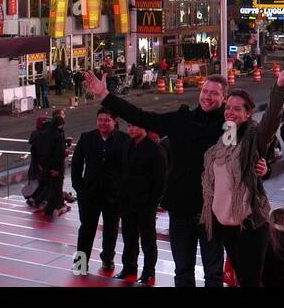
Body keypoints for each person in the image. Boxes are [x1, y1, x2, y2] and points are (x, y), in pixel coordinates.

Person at [82, 71, 229, 288]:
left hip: (210, 212)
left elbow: (238, 159)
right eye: (205, 91)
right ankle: (81, 266)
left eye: (214, 93)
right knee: (182, 271)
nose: (207, 96)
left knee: (213, 274)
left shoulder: (229, 127)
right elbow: (141, 116)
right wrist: (105, 95)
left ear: (223, 98)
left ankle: (144, 272)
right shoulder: (182, 120)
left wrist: (263, 168)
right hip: (175, 210)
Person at [199, 65, 284, 287]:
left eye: (237, 109)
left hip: (250, 224)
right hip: (226, 224)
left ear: (248, 114)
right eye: (228, 108)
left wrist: (280, 86)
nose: (230, 113)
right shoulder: (225, 136)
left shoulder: (254, 136)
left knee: (250, 282)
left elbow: (272, 119)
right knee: (240, 277)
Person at [72, 109, 131, 273]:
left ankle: (108, 259)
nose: (103, 123)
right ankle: (80, 264)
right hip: (89, 193)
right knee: (86, 229)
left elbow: (128, 167)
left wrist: (121, 188)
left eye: (106, 120)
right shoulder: (86, 138)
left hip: (114, 195)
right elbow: (76, 165)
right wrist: (79, 188)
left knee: (111, 229)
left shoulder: (125, 140)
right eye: (100, 120)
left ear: (114, 121)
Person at [116, 124, 167, 285]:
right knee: (128, 237)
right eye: (129, 126)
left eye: (135, 127)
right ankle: (129, 267)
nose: (131, 130)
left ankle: (148, 272)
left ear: (144, 129)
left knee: (148, 239)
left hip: (145, 202)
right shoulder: (127, 145)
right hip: (127, 200)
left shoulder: (155, 149)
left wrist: (152, 202)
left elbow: (160, 180)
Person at [30, 112, 68, 217]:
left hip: (44, 166)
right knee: (55, 187)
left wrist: (40, 164)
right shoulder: (58, 135)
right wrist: (56, 168)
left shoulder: (43, 134)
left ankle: (41, 202)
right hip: (55, 167)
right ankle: (51, 208)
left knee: (48, 185)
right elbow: (58, 153)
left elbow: (36, 150)